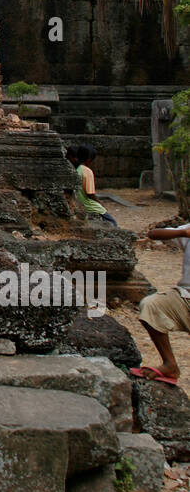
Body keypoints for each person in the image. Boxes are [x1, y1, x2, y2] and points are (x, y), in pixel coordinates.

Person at [131, 222, 190, 385]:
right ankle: (170, 364)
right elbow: (154, 234)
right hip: (185, 298)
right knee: (151, 305)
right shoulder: (188, 232)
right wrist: (184, 233)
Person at [66, 143, 118, 226]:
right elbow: (90, 194)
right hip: (89, 205)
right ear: (89, 160)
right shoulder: (87, 171)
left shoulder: (77, 170)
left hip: (80, 203)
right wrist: (100, 204)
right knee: (113, 223)